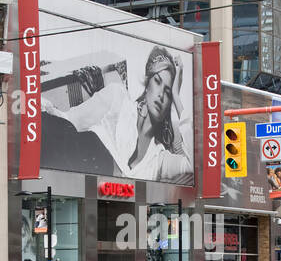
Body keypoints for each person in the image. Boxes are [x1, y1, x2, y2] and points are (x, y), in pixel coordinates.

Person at [42, 47, 192, 183]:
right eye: (157, 81)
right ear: (147, 83)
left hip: (106, 206)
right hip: (65, 173)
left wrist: (177, 97)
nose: (161, 95)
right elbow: (69, 121)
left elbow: (195, 165)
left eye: (167, 92)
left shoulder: (158, 159)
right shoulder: (118, 98)